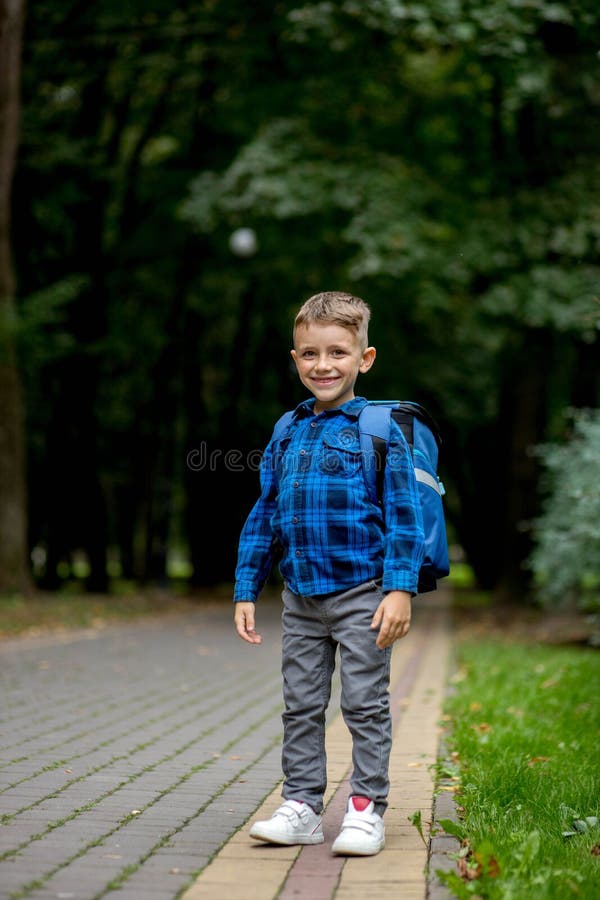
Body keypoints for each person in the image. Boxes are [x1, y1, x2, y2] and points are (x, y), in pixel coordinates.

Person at [233, 291, 425, 856]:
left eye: (337, 352)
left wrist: (400, 588)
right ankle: (301, 806)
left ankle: (366, 809)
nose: (323, 365)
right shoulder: (285, 431)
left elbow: (404, 516)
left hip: (364, 592)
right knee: (301, 703)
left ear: (364, 358)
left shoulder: (378, 428)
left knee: (364, 703)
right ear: (295, 359)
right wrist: (247, 586)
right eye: (310, 354)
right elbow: (265, 512)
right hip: (300, 597)